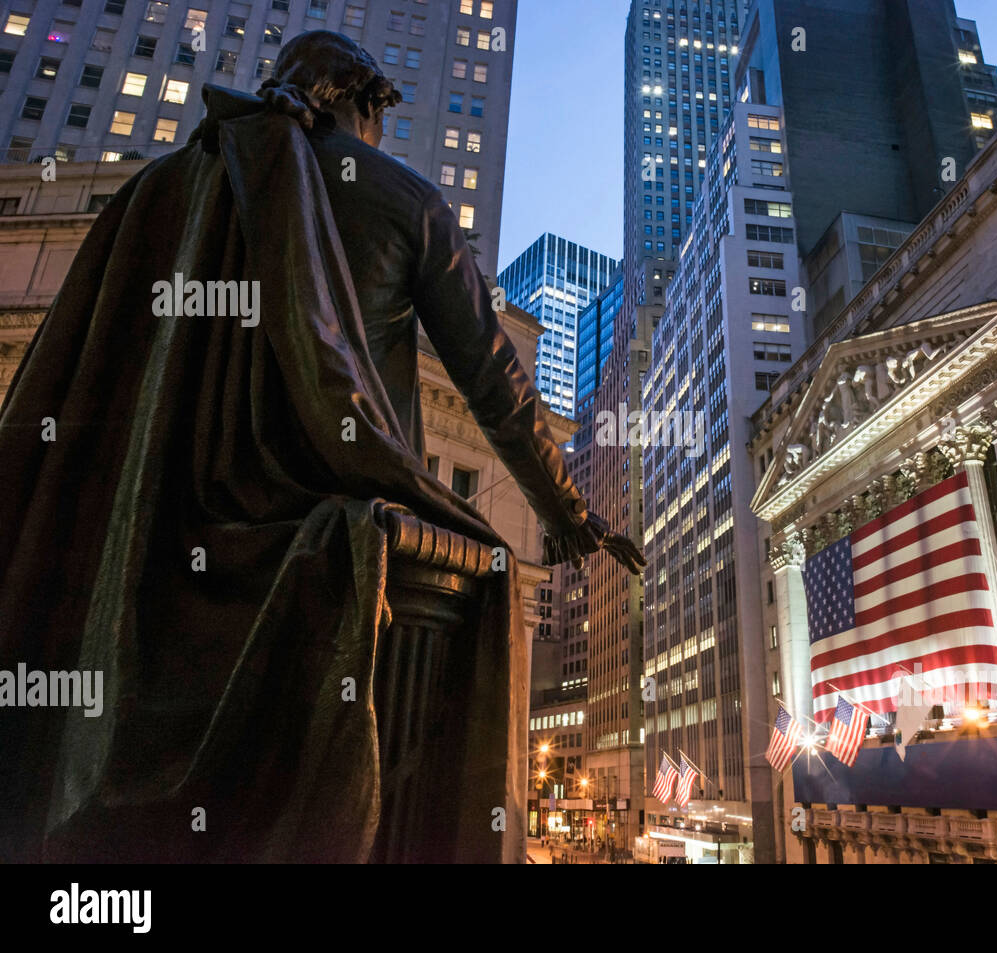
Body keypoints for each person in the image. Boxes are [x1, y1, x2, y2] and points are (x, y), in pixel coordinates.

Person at [0, 31, 643, 863]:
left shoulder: (161, 187)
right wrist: (571, 511)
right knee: (477, 578)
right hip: (341, 554)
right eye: (380, 118)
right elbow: (497, 384)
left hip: (145, 550)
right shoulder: (407, 200)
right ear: (365, 102)